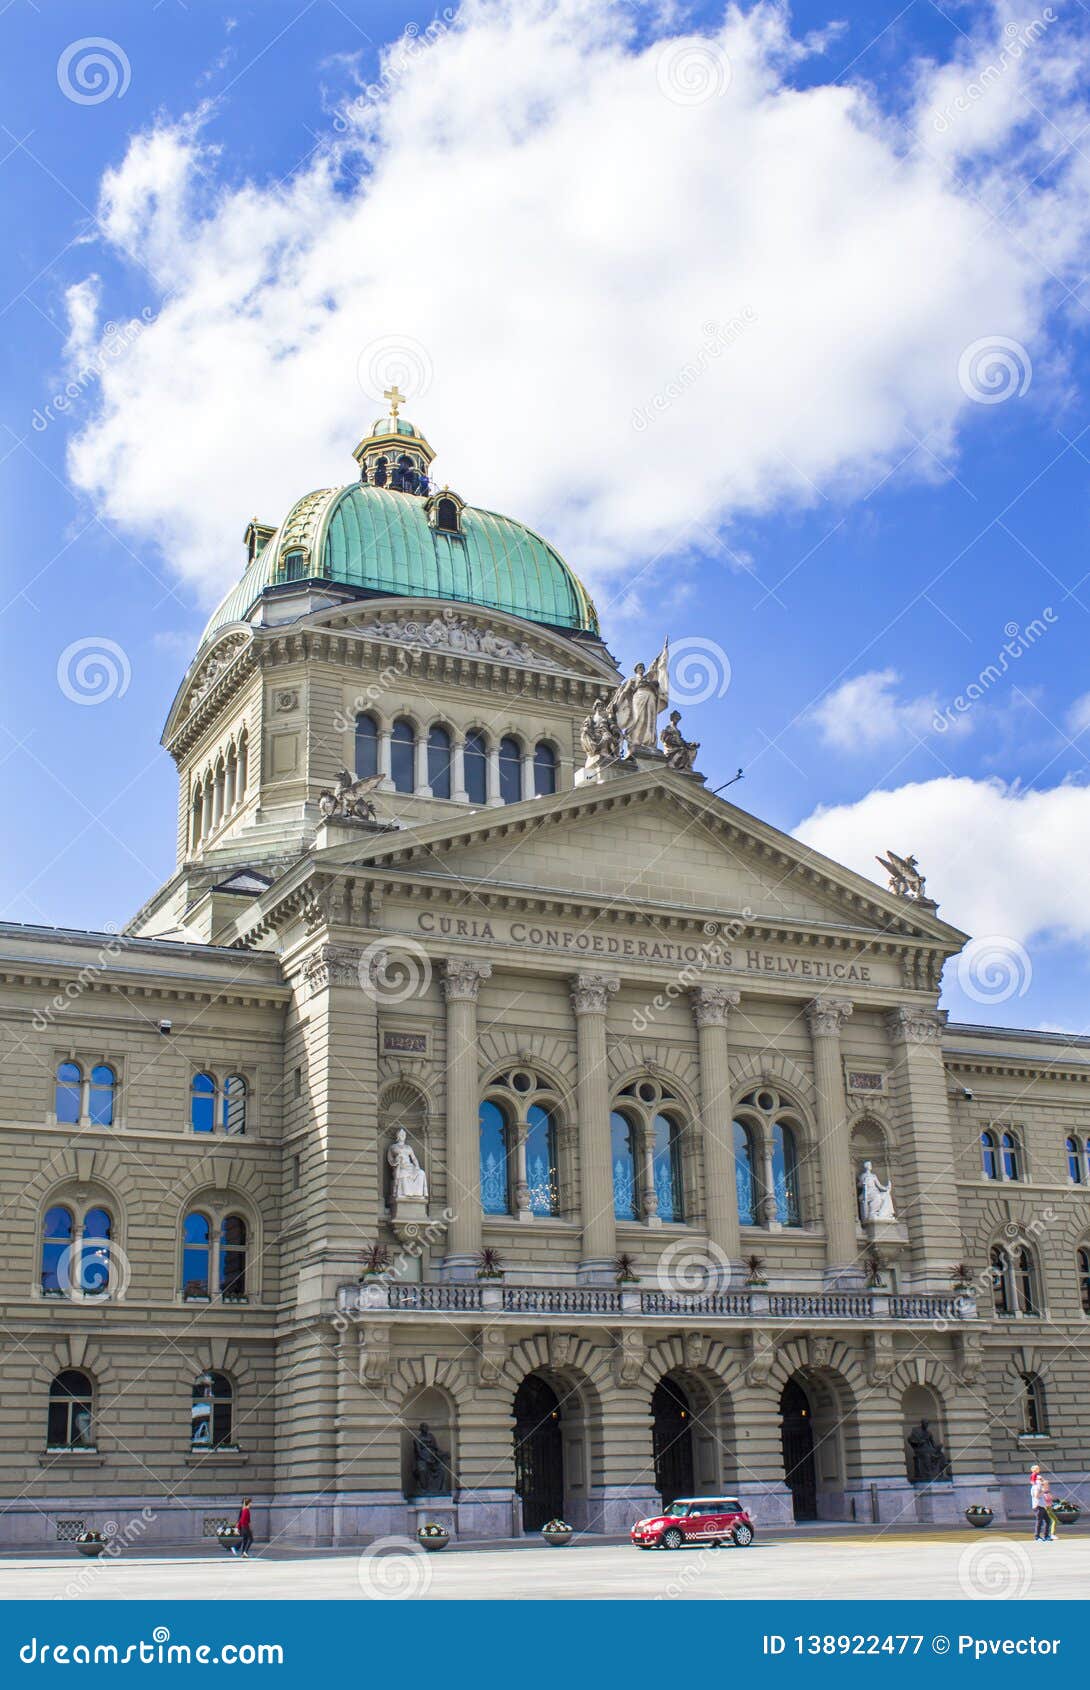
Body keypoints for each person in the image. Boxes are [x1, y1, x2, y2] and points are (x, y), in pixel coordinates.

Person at [1031, 1467, 1052, 1542]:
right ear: (1037, 1480)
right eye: (1040, 1479)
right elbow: (1037, 1496)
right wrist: (1043, 1491)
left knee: (1048, 1521)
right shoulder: (1036, 1487)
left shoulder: (1039, 1486)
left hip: (1041, 1506)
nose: (1042, 1480)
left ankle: (1046, 1536)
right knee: (1040, 1522)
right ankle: (1037, 1537)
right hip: (1038, 1506)